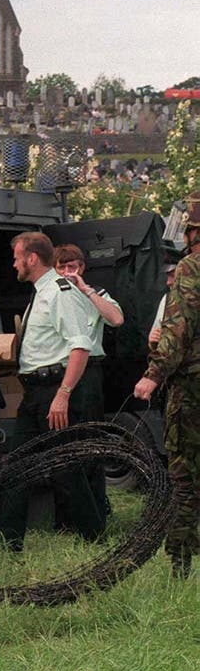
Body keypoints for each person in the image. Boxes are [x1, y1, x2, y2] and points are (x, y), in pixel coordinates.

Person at [0, 232, 103, 551]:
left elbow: (80, 347)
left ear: (32, 258)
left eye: (17, 257)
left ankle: (94, 536)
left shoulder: (59, 292)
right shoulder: (39, 293)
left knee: (65, 469)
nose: (14, 263)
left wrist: (63, 394)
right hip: (33, 393)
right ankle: (9, 543)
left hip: (52, 392)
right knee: (17, 466)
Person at [134, 193, 200, 577]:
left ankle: (180, 563)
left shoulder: (191, 267)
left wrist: (154, 374)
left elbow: (177, 328)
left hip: (192, 386)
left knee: (184, 475)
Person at [53, 243, 124, 525]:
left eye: (72, 267)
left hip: (89, 371)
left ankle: (96, 512)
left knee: (89, 442)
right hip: (60, 370)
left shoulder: (95, 293)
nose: (67, 272)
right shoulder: (53, 294)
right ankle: (66, 517)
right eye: (62, 267)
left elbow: (117, 319)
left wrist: (87, 290)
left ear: (81, 268)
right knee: (62, 444)